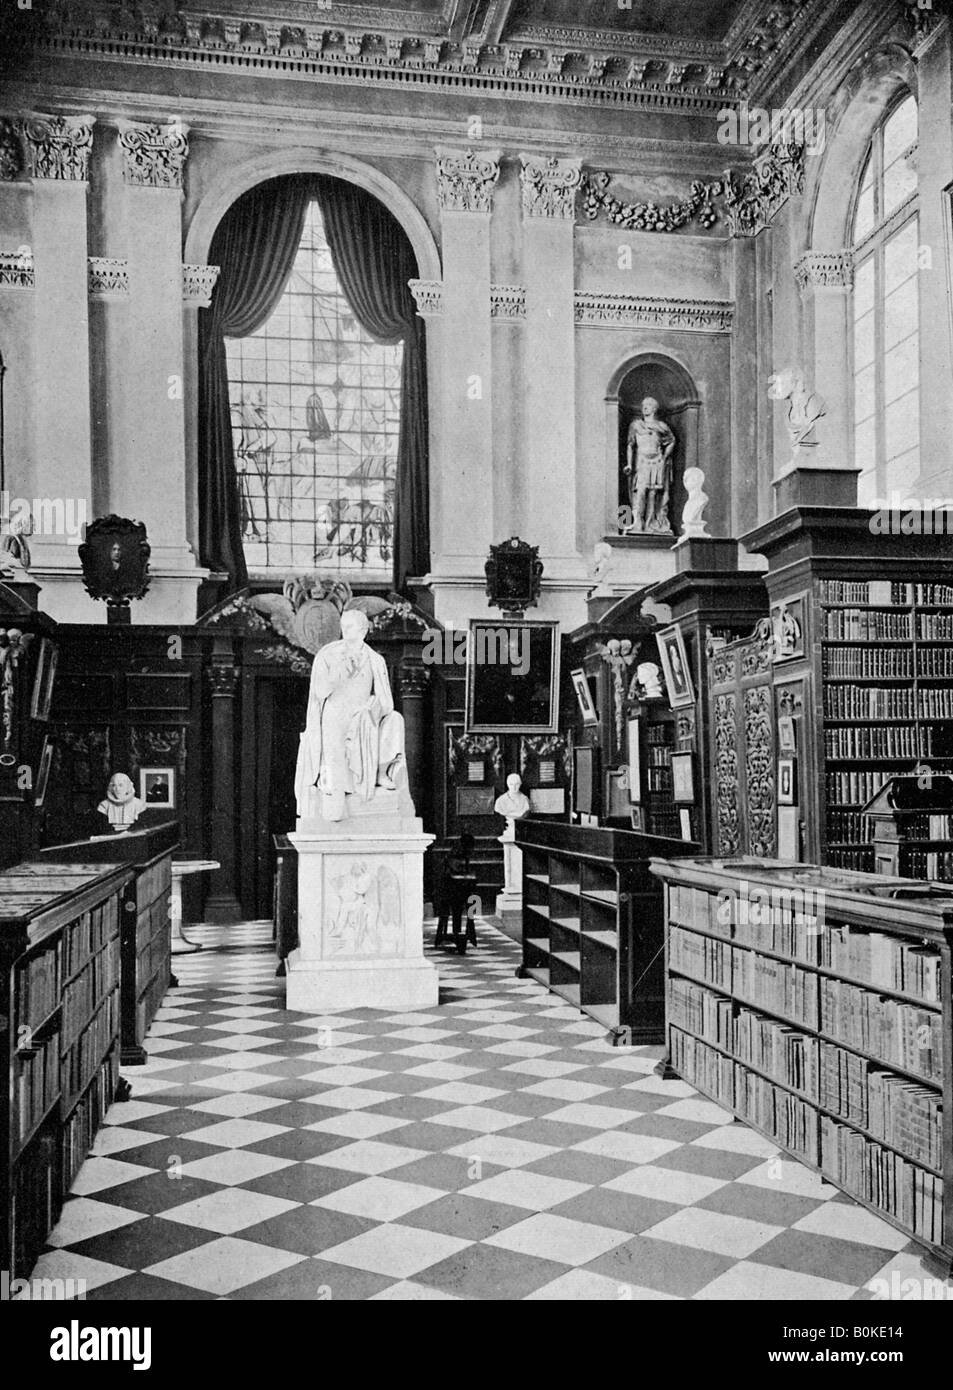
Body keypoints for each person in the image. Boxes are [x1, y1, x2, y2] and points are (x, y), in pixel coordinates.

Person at [294, 607, 407, 822]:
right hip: (335, 714)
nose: (344, 630)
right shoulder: (328, 654)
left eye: (350, 626)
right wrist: (338, 673)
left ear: (363, 630)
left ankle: (380, 773)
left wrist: (370, 708)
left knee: (396, 720)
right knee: (335, 728)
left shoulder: (375, 660)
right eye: (343, 626)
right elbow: (320, 692)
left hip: (364, 718)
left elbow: (386, 702)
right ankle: (336, 793)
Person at [625, 397, 676, 533]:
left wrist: (665, 457)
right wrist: (629, 464)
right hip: (641, 462)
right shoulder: (636, 425)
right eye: (643, 405)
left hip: (657, 462)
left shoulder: (661, 426)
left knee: (653, 494)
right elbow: (630, 445)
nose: (644, 407)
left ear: (654, 408)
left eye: (648, 405)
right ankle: (637, 523)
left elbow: (671, 440)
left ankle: (650, 524)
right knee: (640, 492)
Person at [435, 833, 478, 952]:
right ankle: (458, 933)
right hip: (450, 892)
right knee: (458, 904)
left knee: (473, 900)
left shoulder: (460, 855)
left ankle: (467, 930)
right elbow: (455, 872)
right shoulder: (454, 856)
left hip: (458, 889)